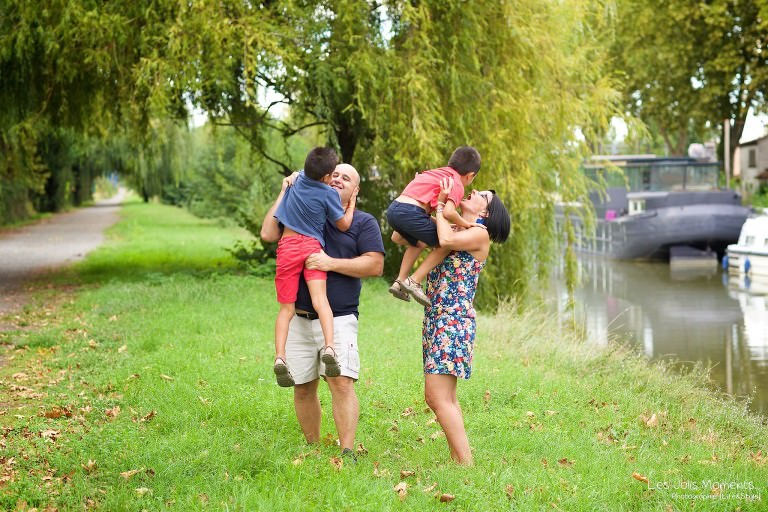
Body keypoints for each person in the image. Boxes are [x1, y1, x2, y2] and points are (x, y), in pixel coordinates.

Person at [260, 163, 385, 463]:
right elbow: (267, 232)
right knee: (302, 386)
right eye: (336, 174)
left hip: (339, 317)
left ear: (356, 191)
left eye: (347, 178)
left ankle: (347, 450)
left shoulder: (362, 222)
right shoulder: (305, 210)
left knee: (340, 381)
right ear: (325, 179)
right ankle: (313, 447)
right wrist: (285, 191)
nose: (339, 179)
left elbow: (375, 265)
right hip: (300, 317)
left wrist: (330, 263)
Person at [421, 177, 510, 465]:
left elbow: (445, 241)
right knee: (444, 397)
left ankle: (466, 464)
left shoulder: (479, 234)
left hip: (453, 320)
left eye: (480, 196)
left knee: (437, 397)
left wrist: (440, 207)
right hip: (437, 318)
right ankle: (459, 460)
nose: (473, 191)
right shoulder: (461, 228)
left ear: (485, 213)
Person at [271, 147, 356, 387]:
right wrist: (351, 203)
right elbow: (343, 225)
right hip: (311, 248)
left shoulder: (295, 181)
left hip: (287, 246)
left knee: (286, 310)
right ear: (327, 177)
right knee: (321, 302)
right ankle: (329, 347)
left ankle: (280, 357)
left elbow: (293, 179)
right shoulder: (328, 193)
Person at [385, 146, 485, 307]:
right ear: (470, 175)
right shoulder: (456, 183)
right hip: (412, 213)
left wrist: (444, 222)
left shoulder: (435, 172)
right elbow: (449, 211)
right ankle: (414, 281)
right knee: (445, 243)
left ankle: (399, 281)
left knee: (420, 241)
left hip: (395, 210)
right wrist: (465, 224)